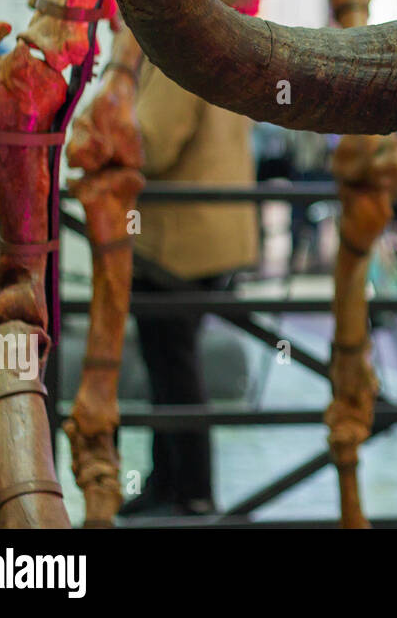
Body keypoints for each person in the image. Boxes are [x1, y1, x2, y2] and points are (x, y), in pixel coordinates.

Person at [123, 62, 259, 516]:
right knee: (169, 361)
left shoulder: (170, 54)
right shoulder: (206, 37)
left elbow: (154, 143)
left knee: (171, 362)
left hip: (178, 236)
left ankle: (192, 488)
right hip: (207, 227)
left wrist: (112, 116)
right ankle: (170, 482)